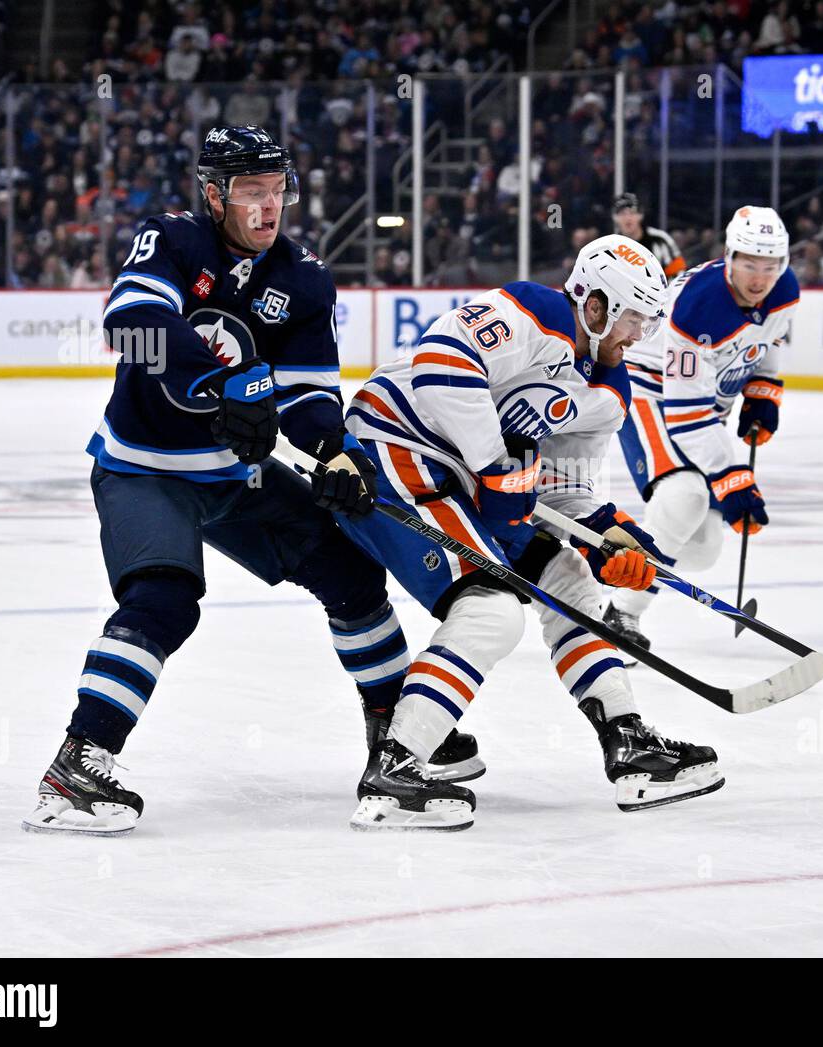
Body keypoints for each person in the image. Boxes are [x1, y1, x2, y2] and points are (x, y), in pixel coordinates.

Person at [22, 126, 463, 836]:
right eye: (252, 192)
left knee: (352, 575)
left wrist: (336, 452)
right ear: (214, 194)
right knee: (163, 599)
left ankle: (397, 745)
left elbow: (310, 395)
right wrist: (224, 386)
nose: (268, 208)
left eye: (278, 191)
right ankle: (79, 762)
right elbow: (130, 324)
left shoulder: (304, 278)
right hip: (144, 467)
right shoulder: (172, 241)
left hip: (235, 477)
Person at [335, 234, 724, 831]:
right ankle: (397, 765)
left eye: (648, 326)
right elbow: (440, 362)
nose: (637, 339)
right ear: (595, 306)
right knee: (492, 613)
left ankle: (628, 744)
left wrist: (609, 538)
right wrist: (494, 467)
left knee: (571, 582)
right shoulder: (533, 313)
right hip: (395, 446)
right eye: (632, 322)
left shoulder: (608, 390)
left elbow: (567, 487)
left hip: (465, 478)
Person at [604, 206, 799, 651]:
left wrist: (764, 390)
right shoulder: (700, 305)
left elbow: (768, 336)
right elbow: (689, 417)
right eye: (749, 263)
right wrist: (734, 480)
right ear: (729, 256)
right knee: (684, 496)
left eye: (770, 266)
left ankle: (612, 553)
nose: (759, 278)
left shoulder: (784, 290)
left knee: (704, 546)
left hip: (702, 400)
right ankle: (622, 613)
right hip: (648, 389)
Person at [612, 192, 686, 280]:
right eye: (622, 213)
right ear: (614, 217)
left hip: (663, 292)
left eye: (632, 212)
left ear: (641, 215)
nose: (628, 218)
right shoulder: (610, 245)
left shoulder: (660, 239)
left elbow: (679, 273)